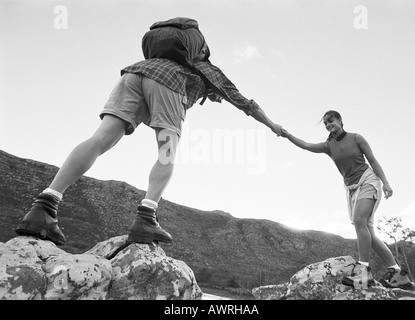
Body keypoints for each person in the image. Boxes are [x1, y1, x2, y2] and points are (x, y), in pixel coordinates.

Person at [15, 34, 284, 247]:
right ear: (201, 52)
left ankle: (43, 208)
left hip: (134, 74)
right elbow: (245, 103)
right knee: (167, 152)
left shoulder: (168, 60)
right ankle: (146, 217)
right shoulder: (209, 70)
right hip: (168, 83)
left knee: (100, 139)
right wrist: (273, 125)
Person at [280, 110, 412, 289]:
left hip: (368, 181)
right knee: (369, 235)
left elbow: (373, 161)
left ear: (340, 121)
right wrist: (287, 134)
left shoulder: (357, 138)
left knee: (359, 221)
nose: (328, 125)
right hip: (351, 189)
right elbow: (305, 145)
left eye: (331, 120)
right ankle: (397, 272)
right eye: (325, 123)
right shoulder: (329, 146)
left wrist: (386, 183)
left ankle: (364, 273)